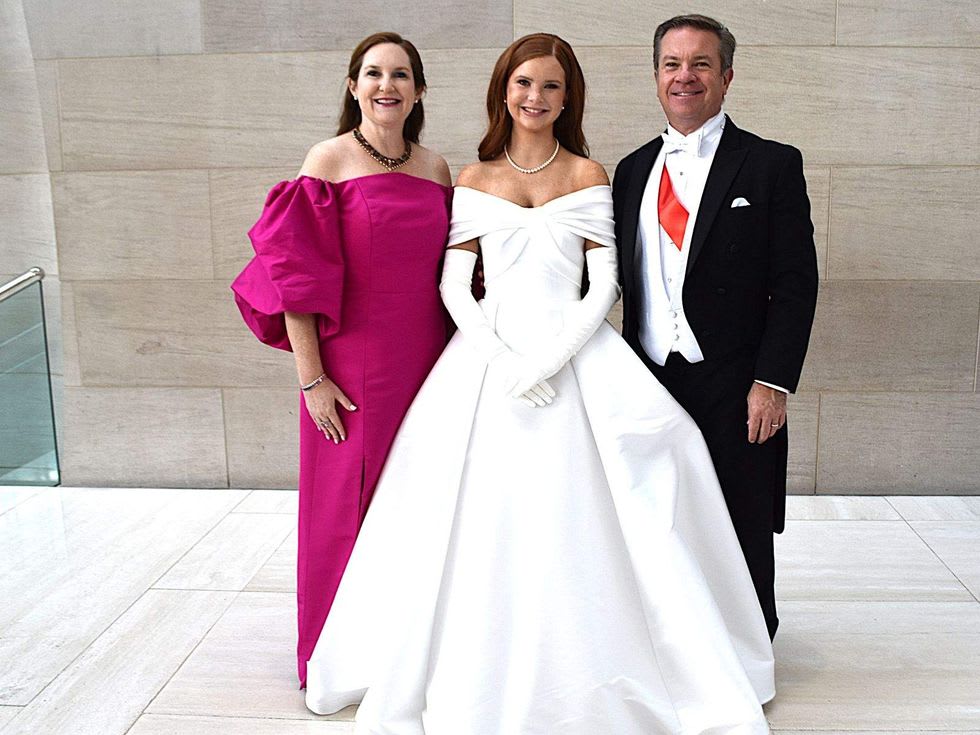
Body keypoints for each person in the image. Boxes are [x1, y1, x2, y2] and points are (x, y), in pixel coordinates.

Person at [302, 33, 774, 734]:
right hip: (486, 358)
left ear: (567, 97)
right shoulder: (469, 176)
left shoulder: (589, 173)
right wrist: (500, 355)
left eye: (551, 86)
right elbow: (454, 285)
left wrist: (550, 358)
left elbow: (606, 281)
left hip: (573, 350)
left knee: (642, 475)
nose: (535, 97)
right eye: (523, 83)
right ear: (504, 90)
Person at [230, 31, 452, 687]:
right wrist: (313, 378)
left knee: (417, 506)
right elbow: (296, 282)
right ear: (353, 86)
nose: (388, 86)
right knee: (343, 513)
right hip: (351, 368)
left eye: (402, 74)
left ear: (418, 91)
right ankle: (337, 657)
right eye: (374, 73)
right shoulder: (326, 161)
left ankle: (408, 652)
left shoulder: (437, 168)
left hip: (428, 361)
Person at [612, 14, 819, 640]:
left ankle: (749, 645)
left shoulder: (771, 165)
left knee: (741, 521)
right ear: (655, 79)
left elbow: (795, 283)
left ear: (726, 76)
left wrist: (773, 382)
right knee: (656, 522)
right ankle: (670, 643)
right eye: (672, 64)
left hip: (736, 384)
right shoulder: (629, 171)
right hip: (649, 380)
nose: (685, 76)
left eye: (700, 64)